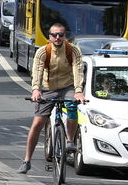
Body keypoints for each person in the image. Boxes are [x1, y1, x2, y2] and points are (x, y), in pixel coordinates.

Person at [19, 22, 85, 174]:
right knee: (37, 123)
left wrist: (78, 91)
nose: (57, 38)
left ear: (65, 37)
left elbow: (78, 70)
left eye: (60, 35)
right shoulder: (43, 52)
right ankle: (27, 160)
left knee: (72, 106)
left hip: (67, 86)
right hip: (47, 88)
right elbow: (37, 72)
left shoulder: (73, 50)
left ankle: (69, 141)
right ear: (49, 37)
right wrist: (36, 90)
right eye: (54, 35)